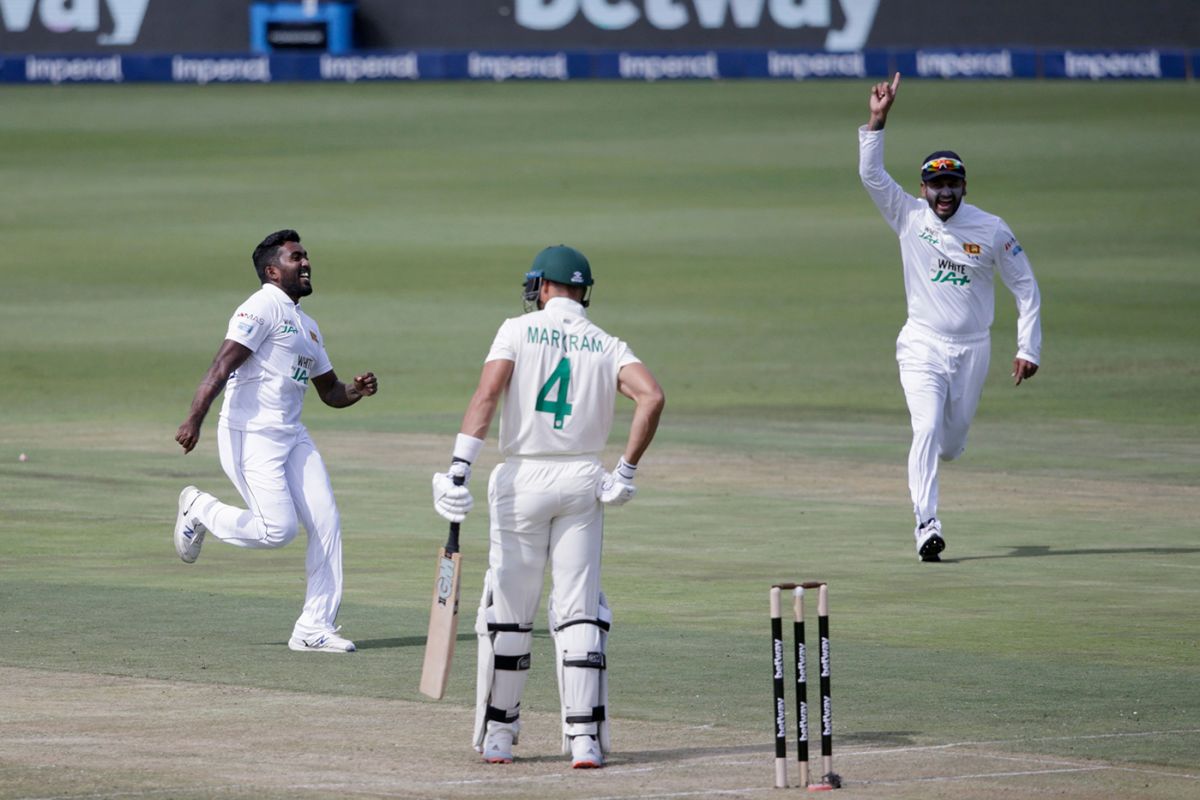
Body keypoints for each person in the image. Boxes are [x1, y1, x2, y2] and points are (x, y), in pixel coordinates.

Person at [431, 245, 665, 769]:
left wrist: (458, 470)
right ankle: (584, 740)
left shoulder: (516, 329)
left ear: (541, 287)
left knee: (510, 612)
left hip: (522, 479)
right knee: (579, 609)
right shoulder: (607, 344)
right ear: (584, 291)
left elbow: (487, 396)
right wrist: (624, 470)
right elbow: (652, 396)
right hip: (583, 478)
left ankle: (499, 736)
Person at [859, 74, 1042, 562]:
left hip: (973, 348)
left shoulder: (991, 229)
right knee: (925, 429)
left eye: (952, 184)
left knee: (951, 443)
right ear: (922, 188)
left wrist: (1029, 347)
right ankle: (926, 524)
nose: (944, 193)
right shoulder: (908, 217)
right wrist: (877, 122)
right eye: (936, 184)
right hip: (920, 343)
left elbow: (1024, 285)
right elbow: (873, 177)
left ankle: (943, 457)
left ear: (964, 187)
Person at [172, 229, 377, 652]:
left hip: (292, 436)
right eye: (295, 257)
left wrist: (357, 389)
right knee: (277, 530)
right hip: (251, 434)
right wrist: (194, 417)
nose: (305, 263)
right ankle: (199, 507)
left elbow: (330, 392)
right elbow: (220, 365)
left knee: (327, 522)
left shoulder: (308, 326)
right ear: (272, 270)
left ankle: (313, 628)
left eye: (305, 256)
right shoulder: (261, 306)